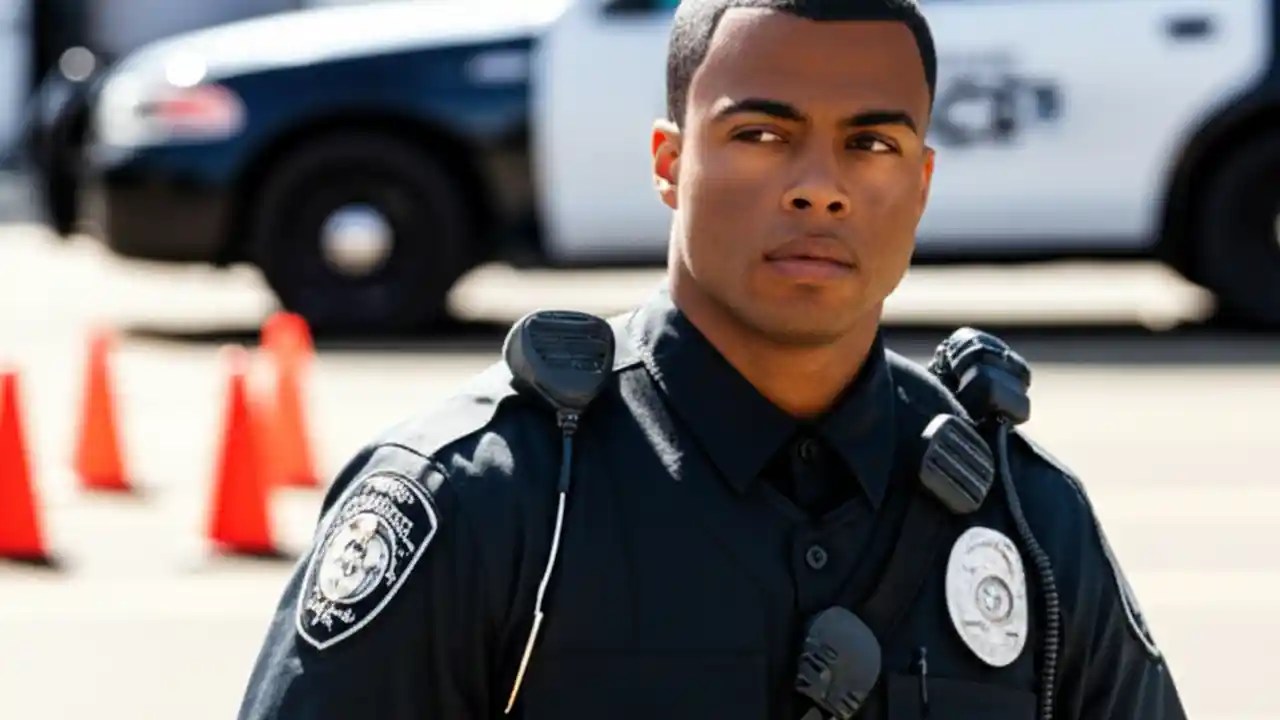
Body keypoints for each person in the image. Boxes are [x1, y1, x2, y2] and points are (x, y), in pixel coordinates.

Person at [236, 1, 1188, 717]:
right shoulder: (492, 499)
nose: (821, 189)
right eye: (762, 136)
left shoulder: (1024, 519)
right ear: (667, 162)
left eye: (872, 143)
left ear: (922, 181)